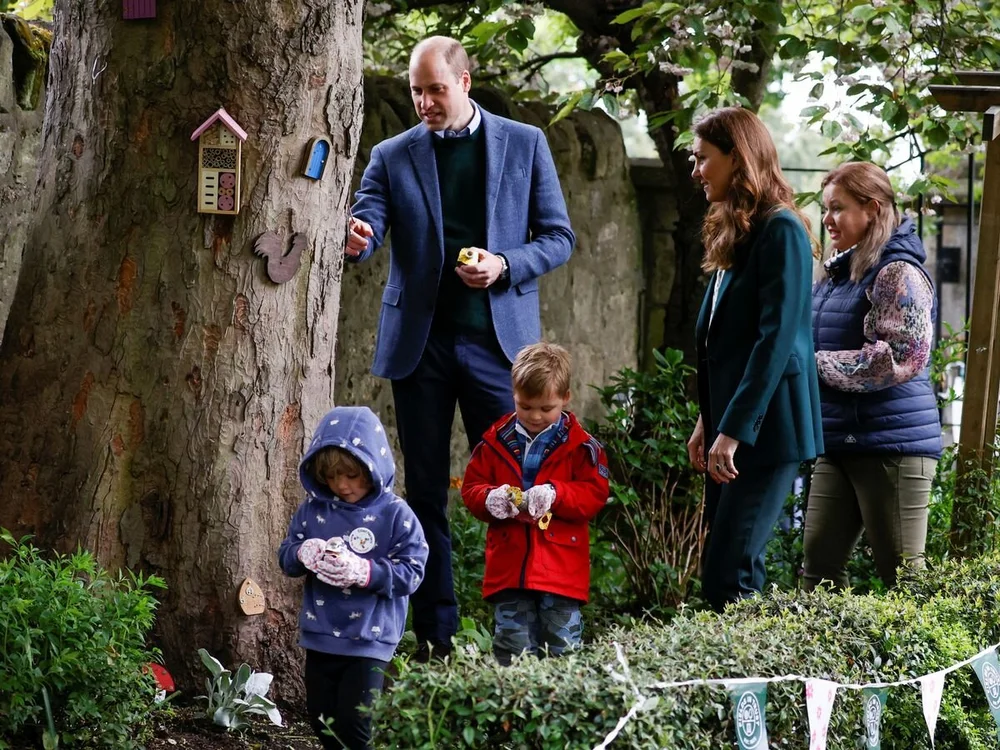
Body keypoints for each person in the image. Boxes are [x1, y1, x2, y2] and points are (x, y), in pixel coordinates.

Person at [345, 35, 575, 658]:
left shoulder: (525, 143)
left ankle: (518, 636)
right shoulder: (392, 154)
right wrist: (358, 237)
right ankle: (435, 640)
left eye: (435, 90)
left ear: (464, 82)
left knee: (514, 489)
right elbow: (368, 223)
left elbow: (559, 237)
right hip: (419, 349)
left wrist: (505, 264)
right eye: (416, 91)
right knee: (424, 494)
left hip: (499, 350)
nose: (424, 101)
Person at [684, 107, 824, 612]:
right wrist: (709, 420)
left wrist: (733, 430)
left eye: (703, 158)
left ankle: (748, 666)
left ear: (737, 158)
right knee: (721, 569)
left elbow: (775, 342)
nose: (696, 171)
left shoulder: (780, 229)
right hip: (736, 426)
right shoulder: (738, 227)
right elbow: (724, 342)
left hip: (769, 431)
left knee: (732, 571)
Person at [803, 161, 941, 590]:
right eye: (825, 209)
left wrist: (811, 365)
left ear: (873, 209)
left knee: (903, 579)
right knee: (818, 572)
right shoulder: (838, 276)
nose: (827, 219)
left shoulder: (898, 273)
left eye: (837, 208)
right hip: (839, 441)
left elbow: (901, 357)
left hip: (892, 447)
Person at [278, 406, 427, 750]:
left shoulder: (395, 514)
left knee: (355, 721)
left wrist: (365, 572)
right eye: (331, 477)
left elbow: (413, 571)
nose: (341, 485)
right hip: (321, 633)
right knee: (321, 717)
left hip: (370, 638)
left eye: (350, 474)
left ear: (373, 466)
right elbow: (286, 557)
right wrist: (302, 553)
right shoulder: (313, 511)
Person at [460, 342, 608, 664]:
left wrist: (557, 494)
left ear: (565, 398)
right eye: (525, 407)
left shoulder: (582, 447)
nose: (535, 416)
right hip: (509, 566)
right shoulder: (494, 441)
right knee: (511, 651)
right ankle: (514, 698)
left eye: (546, 408)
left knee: (562, 651)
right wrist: (490, 498)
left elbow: (594, 494)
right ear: (513, 394)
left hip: (561, 568)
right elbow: (471, 488)